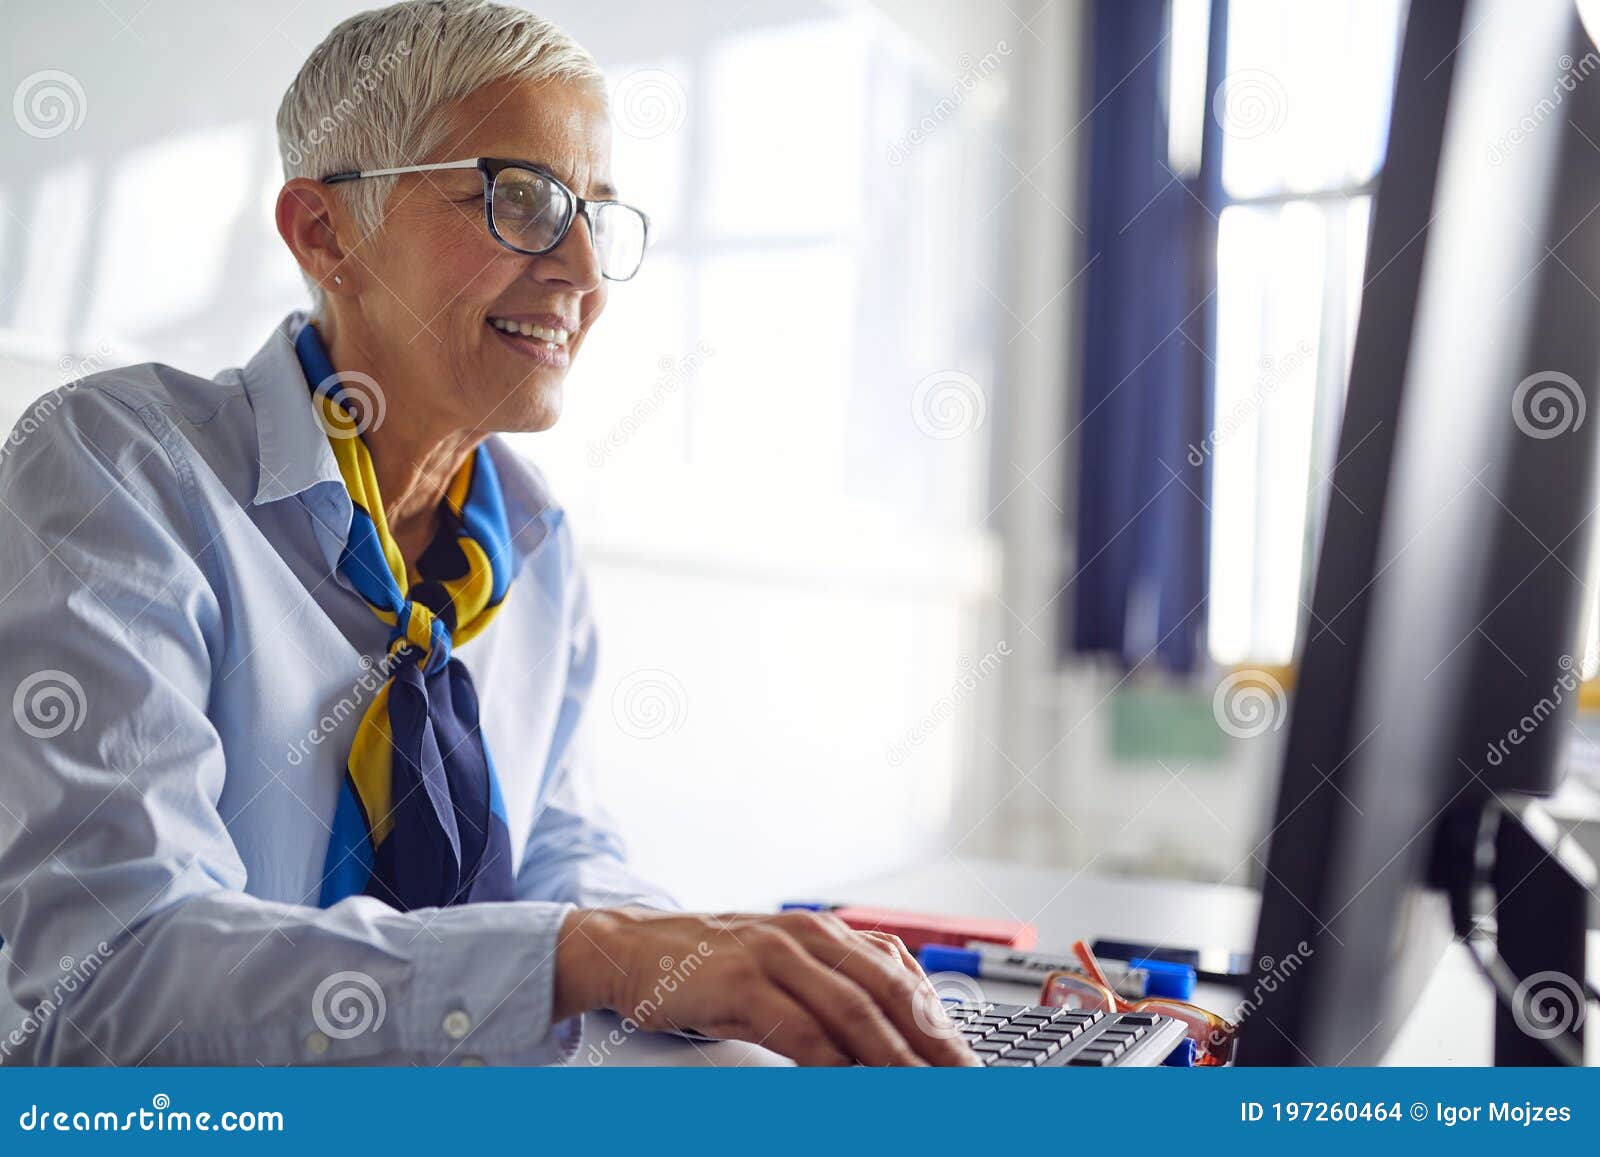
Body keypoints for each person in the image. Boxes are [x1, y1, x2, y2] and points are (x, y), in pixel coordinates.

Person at [0, 0, 975, 1068]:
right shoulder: (119, 470)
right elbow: (104, 992)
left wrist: (719, 969)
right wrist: (585, 953)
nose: (584, 275)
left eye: (596, 216)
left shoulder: (531, 539)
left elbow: (567, 858)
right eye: (518, 198)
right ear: (325, 233)